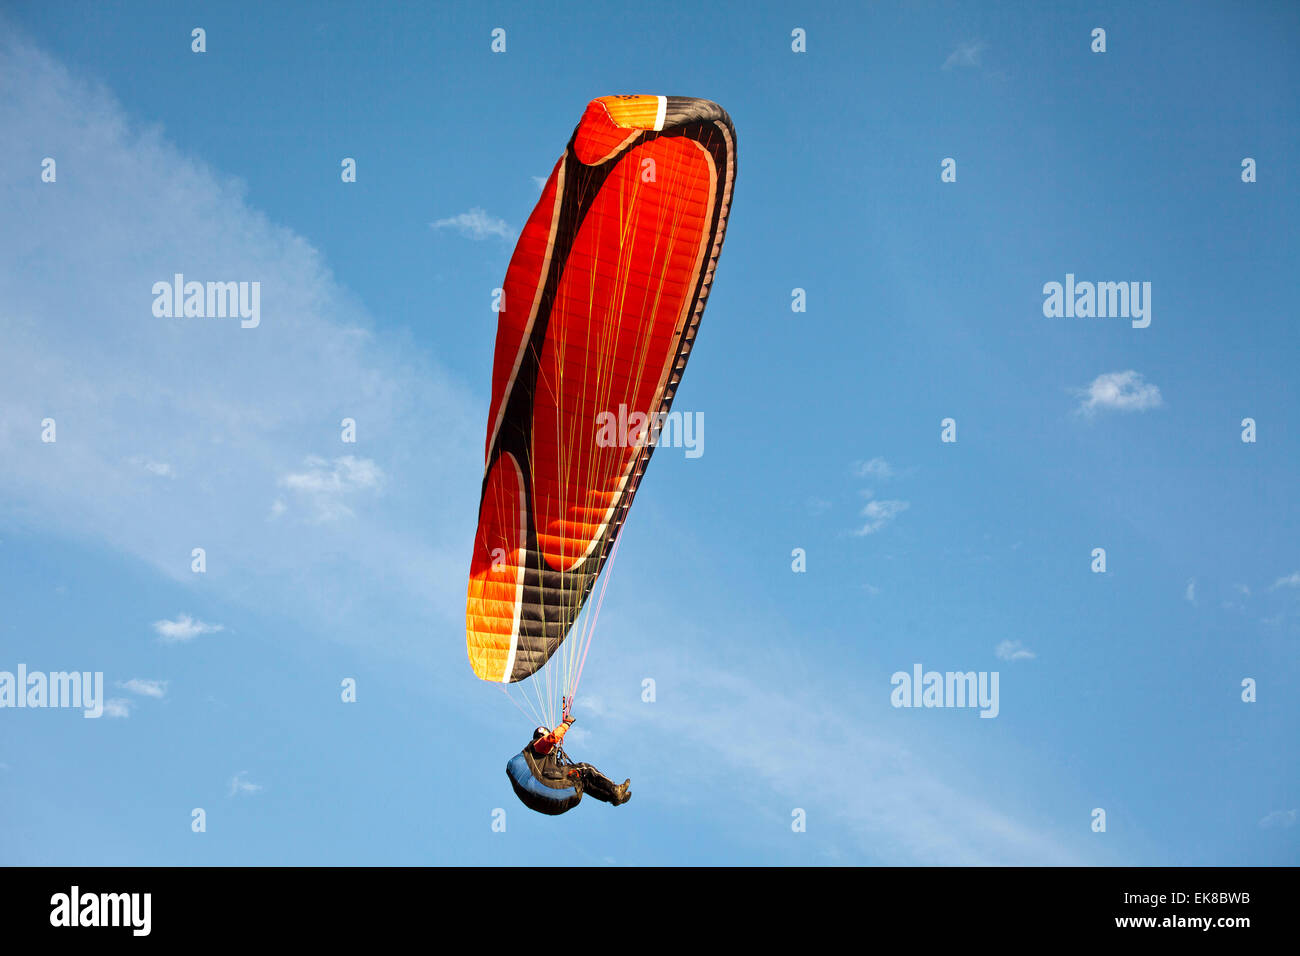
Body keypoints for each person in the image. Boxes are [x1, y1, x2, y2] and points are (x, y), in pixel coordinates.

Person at [507, 715, 630, 814]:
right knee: (585, 769)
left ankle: (614, 797)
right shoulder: (536, 746)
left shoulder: (541, 760)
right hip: (549, 789)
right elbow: (552, 738)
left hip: (548, 799)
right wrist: (566, 723)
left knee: (581, 782)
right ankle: (614, 790)